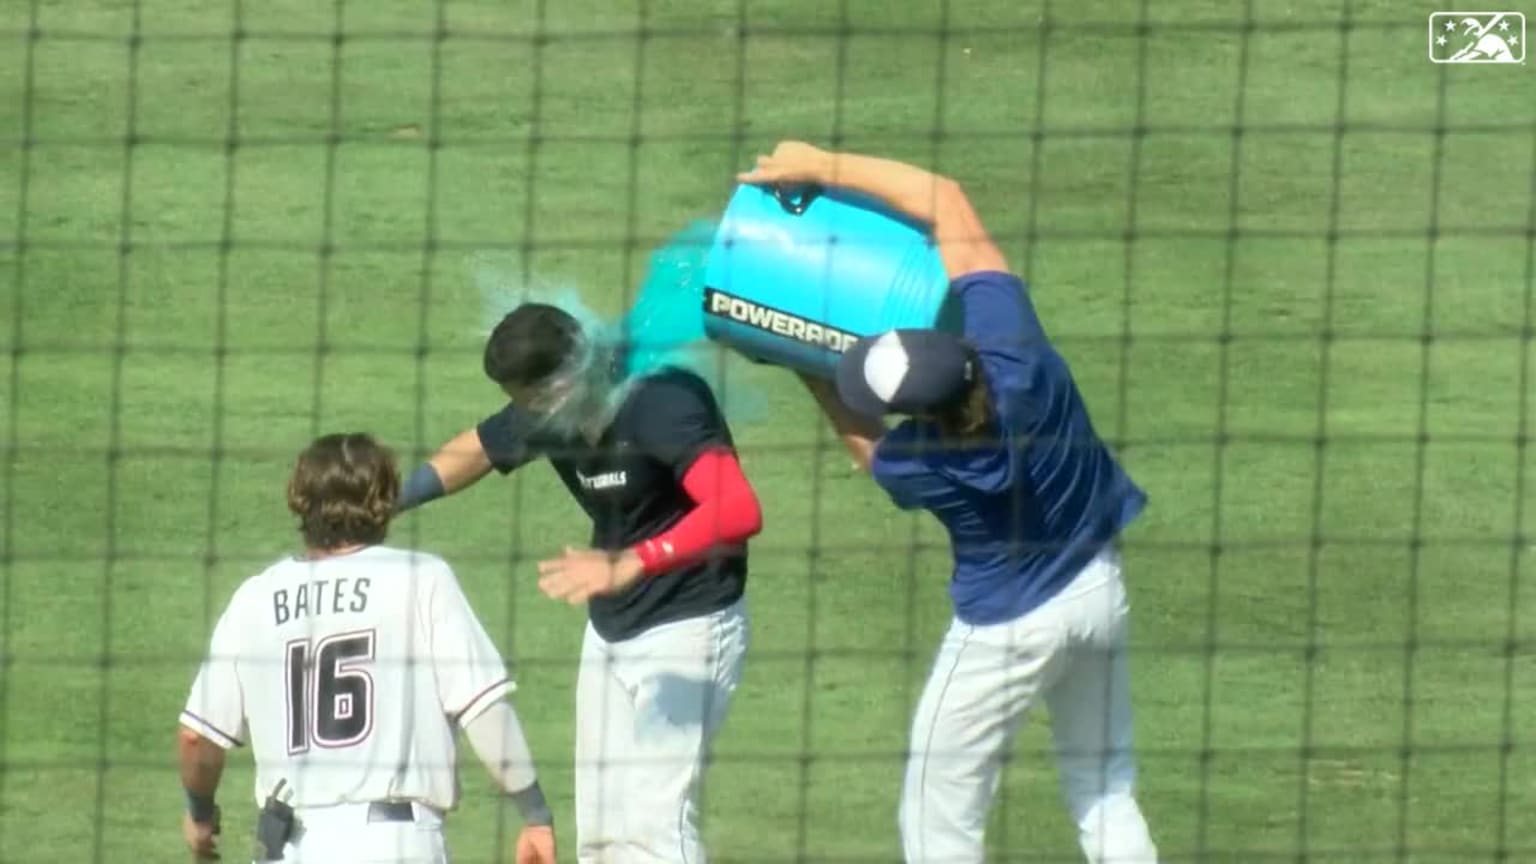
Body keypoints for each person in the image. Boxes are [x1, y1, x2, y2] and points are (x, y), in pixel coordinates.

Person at [739, 142, 1160, 863]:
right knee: (1103, 787)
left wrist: (799, 362)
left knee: (938, 819)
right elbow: (948, 199)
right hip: (1099, 594)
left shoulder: (926, 463)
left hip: (1009, 633)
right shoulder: (1014, 347)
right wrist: (823, 162)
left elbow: (868, 447)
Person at [394, 302, 763, 863]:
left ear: (568, 375)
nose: (526, 413)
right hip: (613, 630)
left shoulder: (662, 401)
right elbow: (478, 448)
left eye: (532, 398)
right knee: (600, 838)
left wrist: (634, 560)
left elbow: (737, 508)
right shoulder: (551, 407)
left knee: (657, 823)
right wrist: (388, 502)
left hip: (691, 623)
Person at [177, 433, 558, 864]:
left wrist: (200, 814)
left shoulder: (254, 599)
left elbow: (195, 737)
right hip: (396, 845)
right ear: (385, 500)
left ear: (298, 500)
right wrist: (535, 814)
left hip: (292, 848)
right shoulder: (421, 579)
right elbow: (484, 710)